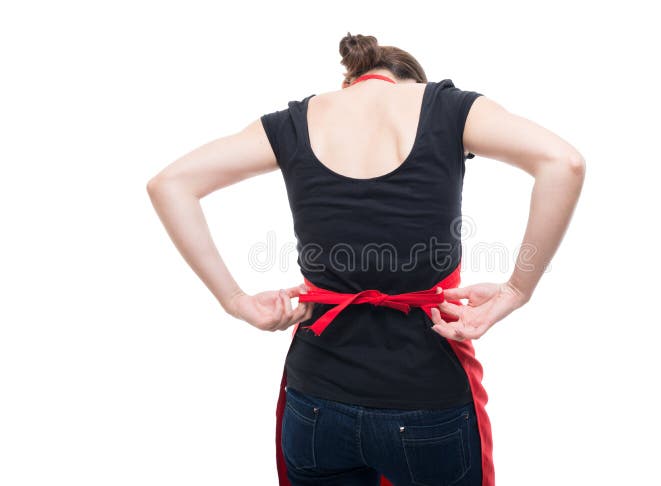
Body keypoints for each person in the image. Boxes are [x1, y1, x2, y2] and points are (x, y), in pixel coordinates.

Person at [147, 32, 585, 486]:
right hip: (428, 402)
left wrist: (235, 300)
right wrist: (518, 289)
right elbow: (563, 162)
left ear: (349, 81)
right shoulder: (448, 108)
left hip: (315, 404)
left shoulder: (295, 122)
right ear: (412, 83)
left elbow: (170, 184)